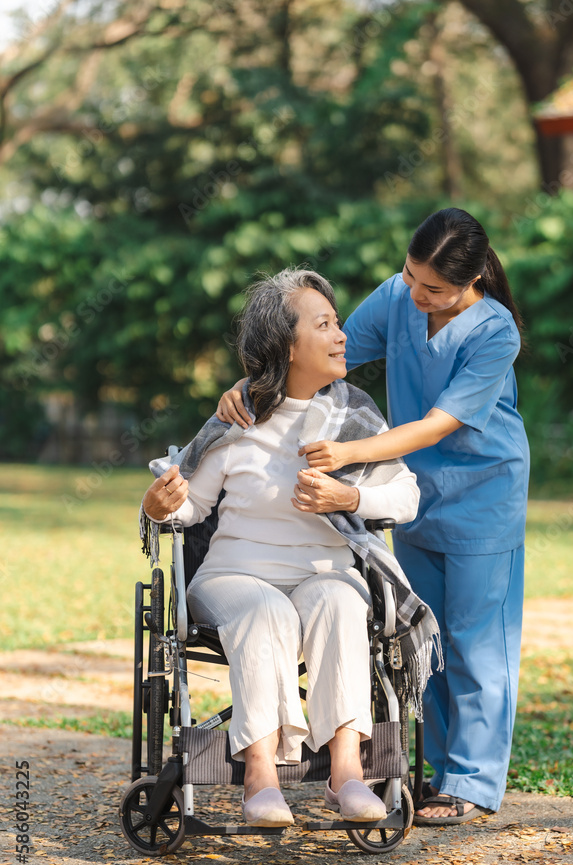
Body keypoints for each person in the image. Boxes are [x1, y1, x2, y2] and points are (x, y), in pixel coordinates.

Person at [217, 208, 529, 825]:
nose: (415, 295)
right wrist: (247, 386)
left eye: (432, 288)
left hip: (482, 493)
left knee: (477, 642)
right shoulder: (397, 297)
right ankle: (438, 774)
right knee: (428, 641)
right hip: (405, 490)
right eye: (410, 275)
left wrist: (349, 453)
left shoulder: (496, 332)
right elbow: (315, 356)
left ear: (470, 282)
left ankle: (472, 783)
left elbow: (438, 424)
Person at [142, 268, 436, 828]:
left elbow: (406, 495)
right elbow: (190, 506)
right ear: (287, 346)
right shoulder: (239, 417)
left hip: (324, 574)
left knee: (342, 600)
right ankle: (260, 775)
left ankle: (347, 773)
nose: (341, 335)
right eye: (324, 325)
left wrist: (348, 496)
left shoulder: (354, 417)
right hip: (234, 578)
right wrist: (160, 506)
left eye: (337, 323)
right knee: (266, 610)